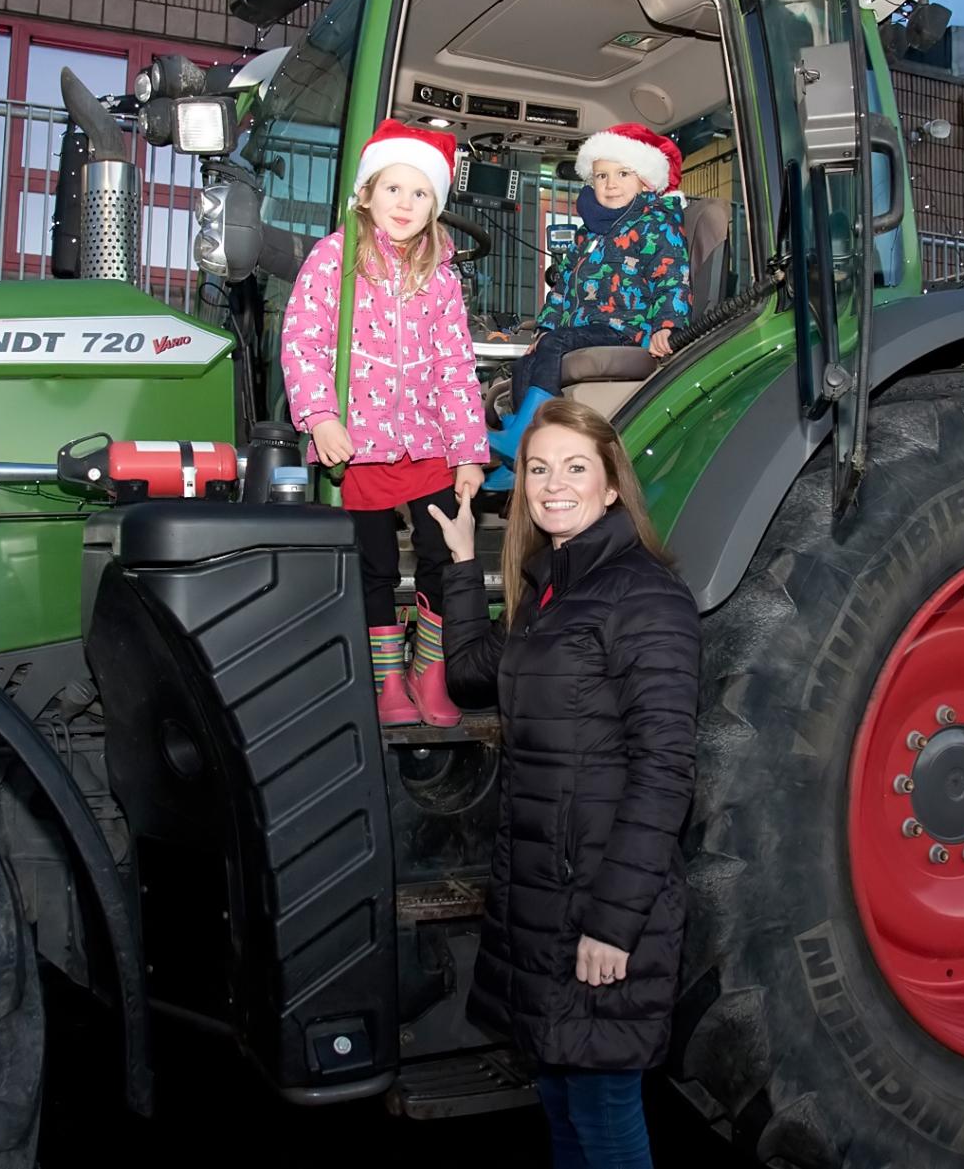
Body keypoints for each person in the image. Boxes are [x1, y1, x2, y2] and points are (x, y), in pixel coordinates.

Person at [429, 396, 700, 1169]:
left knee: (604, 1105)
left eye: (575, 467)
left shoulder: (645, 596)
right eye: (537, 469)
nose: (553, 484)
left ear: (612, 485)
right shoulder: (553, 591)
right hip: (542, 898)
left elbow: (664, 771)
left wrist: (614, 923)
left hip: (604, 901)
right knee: (558, 1094)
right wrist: (460, 564)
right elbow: (473, 676)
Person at [281, 119, 490, 728]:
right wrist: (320, 416)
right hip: (362, 445)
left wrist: (468, 451)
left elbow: (456, 365)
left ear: (436, 207)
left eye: (421, 193)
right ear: (367, 194)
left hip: (429, 444)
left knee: (440, 555)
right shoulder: (334, 259)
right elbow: (303, 343)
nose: (405, 203)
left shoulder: (442, 275)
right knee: (373, 563)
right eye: (394, 189)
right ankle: (386, 678)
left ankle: (430, 669)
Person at [485, 123, 692, 488]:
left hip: (627, 328)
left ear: (645, 181)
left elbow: (672, 277)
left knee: (554, 346)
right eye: (601, 175)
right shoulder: (589, 232)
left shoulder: (657, 225)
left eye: (623, 173)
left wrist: (668, 326)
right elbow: (563, 286)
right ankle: (521, 457)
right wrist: (547, 326)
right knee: (525, 362)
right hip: (586, 327)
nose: (610, 184)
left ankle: (530, 441)